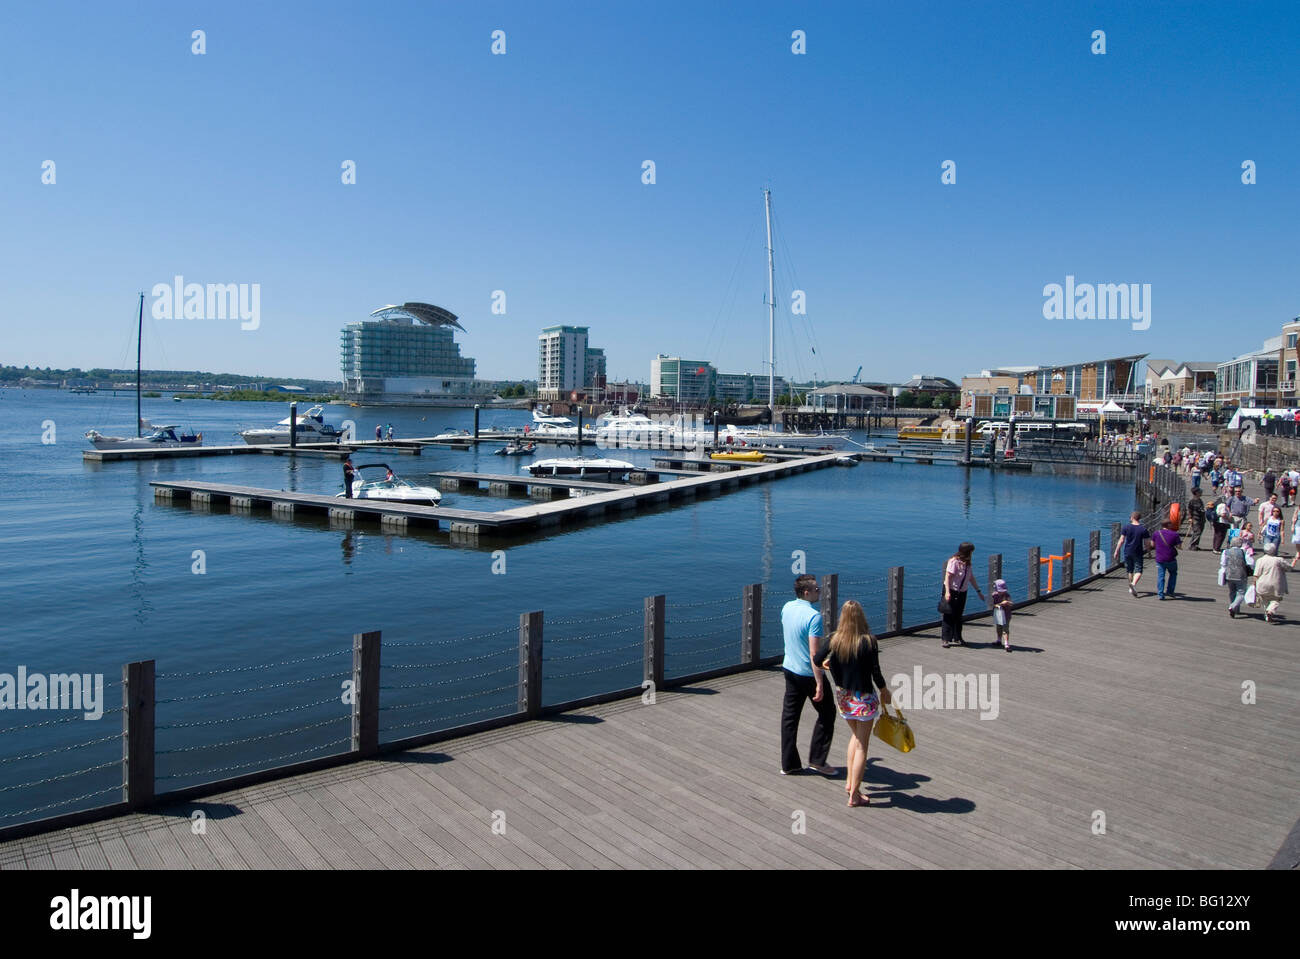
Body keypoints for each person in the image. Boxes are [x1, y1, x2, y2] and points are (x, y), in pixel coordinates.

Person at [819, 600, 891, 807]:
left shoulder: (835, 639)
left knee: (855, 737)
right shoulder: (869, 641)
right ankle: (855, 794)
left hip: (844, 697)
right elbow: (875, 671)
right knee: (862, 746)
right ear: (861, 616)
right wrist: (884, 690)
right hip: (864, 698)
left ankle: (850, 783)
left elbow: (816, 658)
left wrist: (827, 664)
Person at [780, 574, 838, 777]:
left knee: (790, 718)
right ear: (806, 592)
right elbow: (815, 654)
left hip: (789, 668)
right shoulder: (814, 617)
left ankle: (789, 764)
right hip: (807, 673)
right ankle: (817, 760)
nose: (819, 592)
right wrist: (820, 682)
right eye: (816, 589)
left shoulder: (787, 608)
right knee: (828, 713)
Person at [941, 542, 984, 647]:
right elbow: (947, 577)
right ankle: (946, 639)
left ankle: (958, 637)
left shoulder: (967, 563)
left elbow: (970, 577)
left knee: (958, 615)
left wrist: (978, 591)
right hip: (951, 590)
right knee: (948, 614)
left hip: (962, 592)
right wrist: (947, 592)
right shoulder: (954, 561)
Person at [1113, 511, 1152, 596]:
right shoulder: (1143, 529)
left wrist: (1116, 550)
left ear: (1132, 518)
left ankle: (1131, 586)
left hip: (1127, 551)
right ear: (1139, 518)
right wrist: (1149, 552)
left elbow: (1121, 540)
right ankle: (1133, 584)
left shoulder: (1126, 527)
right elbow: (1147, 543)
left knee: (1129, 570)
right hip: (1138, 552)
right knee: (1138, 570)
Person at [1253, 542, 1289, 622]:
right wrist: (1293, 563)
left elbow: (1256, 575)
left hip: (1262, 583)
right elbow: (1288, 568)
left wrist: (1254, 585)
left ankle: (1267, 615)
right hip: (1276, 584)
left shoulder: (1260, 560)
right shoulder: (1279, 560)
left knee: (1265, 600)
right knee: (1276, 600)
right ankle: (1270, 611)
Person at [1152, 518, 1181, 600]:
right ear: (1168, 525)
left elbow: (1152, 544)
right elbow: (1179, 546)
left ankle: (1160, 594)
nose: (1172, 525)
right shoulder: (1175, 534)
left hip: (1160, 558)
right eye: (1171, 524)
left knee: (1161, 576)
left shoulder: (1156, 533)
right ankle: (1170, 591)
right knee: (1173, 574)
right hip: (1171, 558)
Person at [1221, 539, 1251, 617]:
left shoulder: (1225, 551)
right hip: (1241, 575)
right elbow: (1251, 562)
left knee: (1232, 592)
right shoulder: (1243, 551)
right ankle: (1233, 606)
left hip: (1229, 574)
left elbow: (1223, 563)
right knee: (1241, 593)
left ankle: (1235, 609)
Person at [990, 578, 1013, 651]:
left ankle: (1006, 644)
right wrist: (999, 604)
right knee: (998, 628)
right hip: (998, 614)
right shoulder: (994, 595)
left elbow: (1011, 603)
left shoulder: (1007, 595)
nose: (1001, 592)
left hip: (1006, 615)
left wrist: (1007, 602)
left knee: (1005, 630)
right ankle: (999, 640)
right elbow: (993, 604)